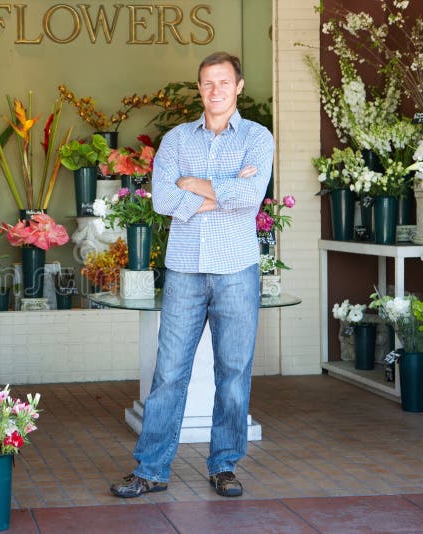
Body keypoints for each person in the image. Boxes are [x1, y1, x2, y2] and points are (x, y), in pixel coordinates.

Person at [110, 51, 274, 499]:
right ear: (199, 88)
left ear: (238, 86)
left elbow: (251, 198)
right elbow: (163, 198)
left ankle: (224, 465)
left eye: (223, 82)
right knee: (168, 374)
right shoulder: (178, 140)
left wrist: (194, 184)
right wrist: (222, 190)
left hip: (236, 269)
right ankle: (151, 470)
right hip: (184, 269)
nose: (215, 90)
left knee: (234, 373)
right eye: (207, 83)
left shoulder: (258, 138)